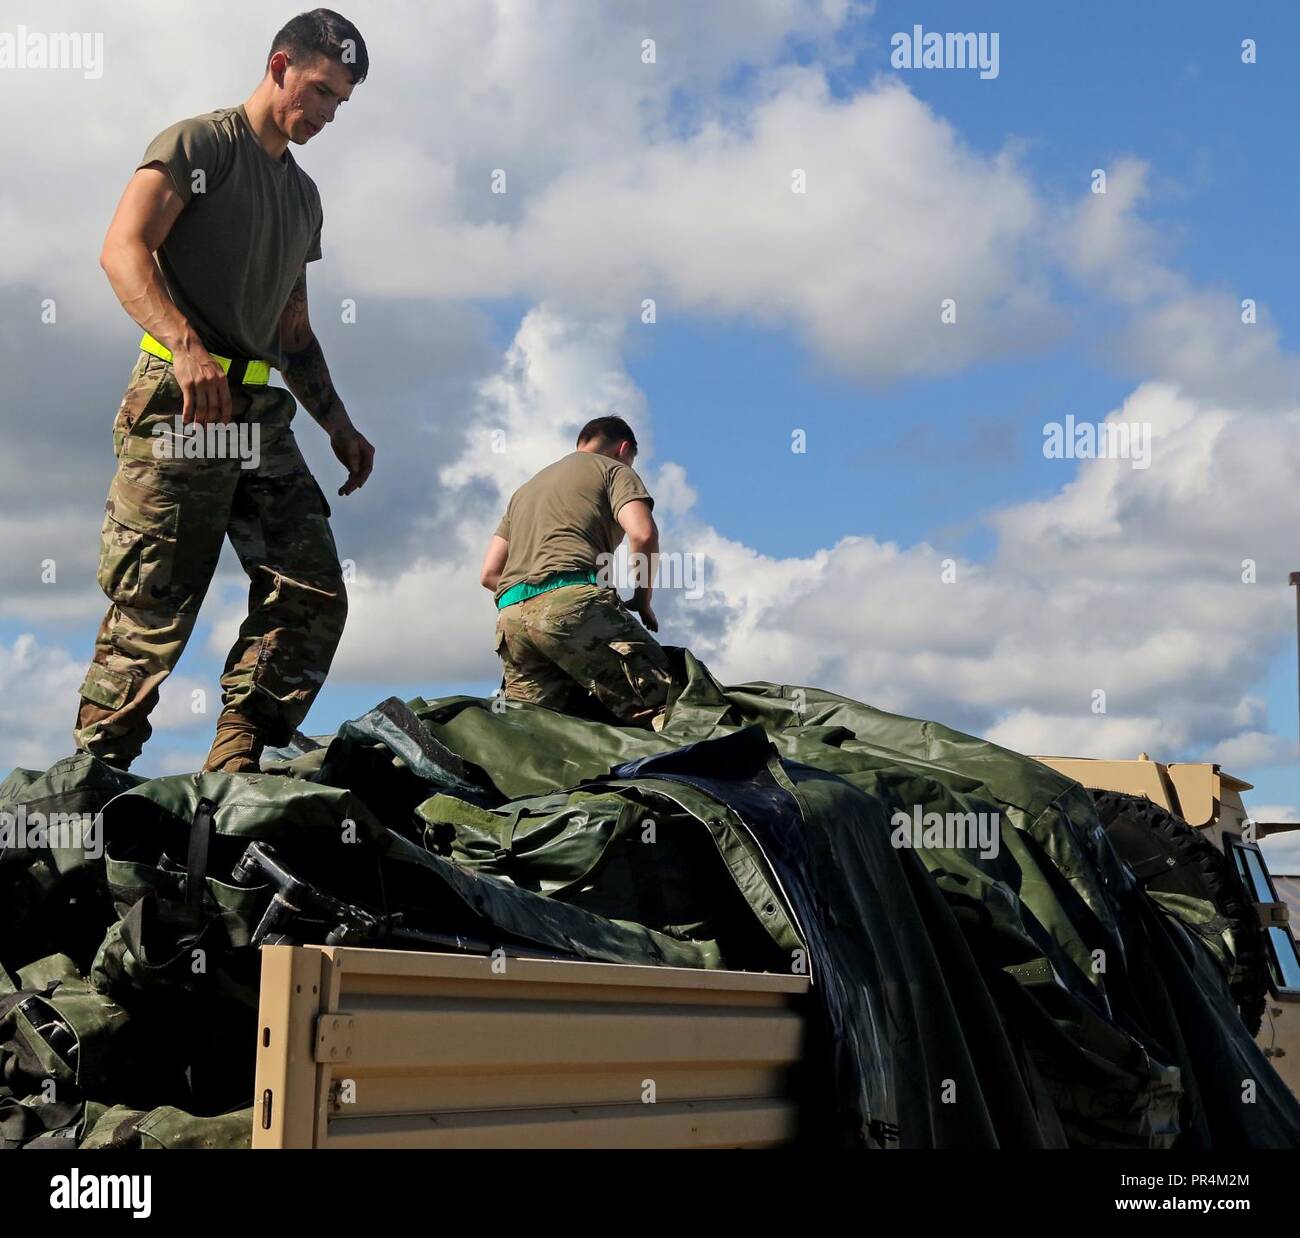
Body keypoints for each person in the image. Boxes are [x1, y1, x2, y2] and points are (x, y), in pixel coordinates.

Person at [73, 10, 375, 774]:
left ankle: (237, 757)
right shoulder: (200, 145)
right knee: (153, 606)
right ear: (280, 67)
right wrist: (184, 348)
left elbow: (294, 331)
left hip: (260, 413)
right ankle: (96, 781)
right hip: (180, 404)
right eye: (319, 91)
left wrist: (338, 424)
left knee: (311, 588)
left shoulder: (303, 200)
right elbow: (121, 249)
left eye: (340, 101)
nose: (327, 113)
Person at [479, 416, 674, 728]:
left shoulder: (525, 490)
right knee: (669, 707)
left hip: (511, 620)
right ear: (623, 449)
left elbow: (489, 573)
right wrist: (642, 597)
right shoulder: (614, 470)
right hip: (574, 603)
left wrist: (536, 600)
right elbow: (643, 535)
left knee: (539, 734)